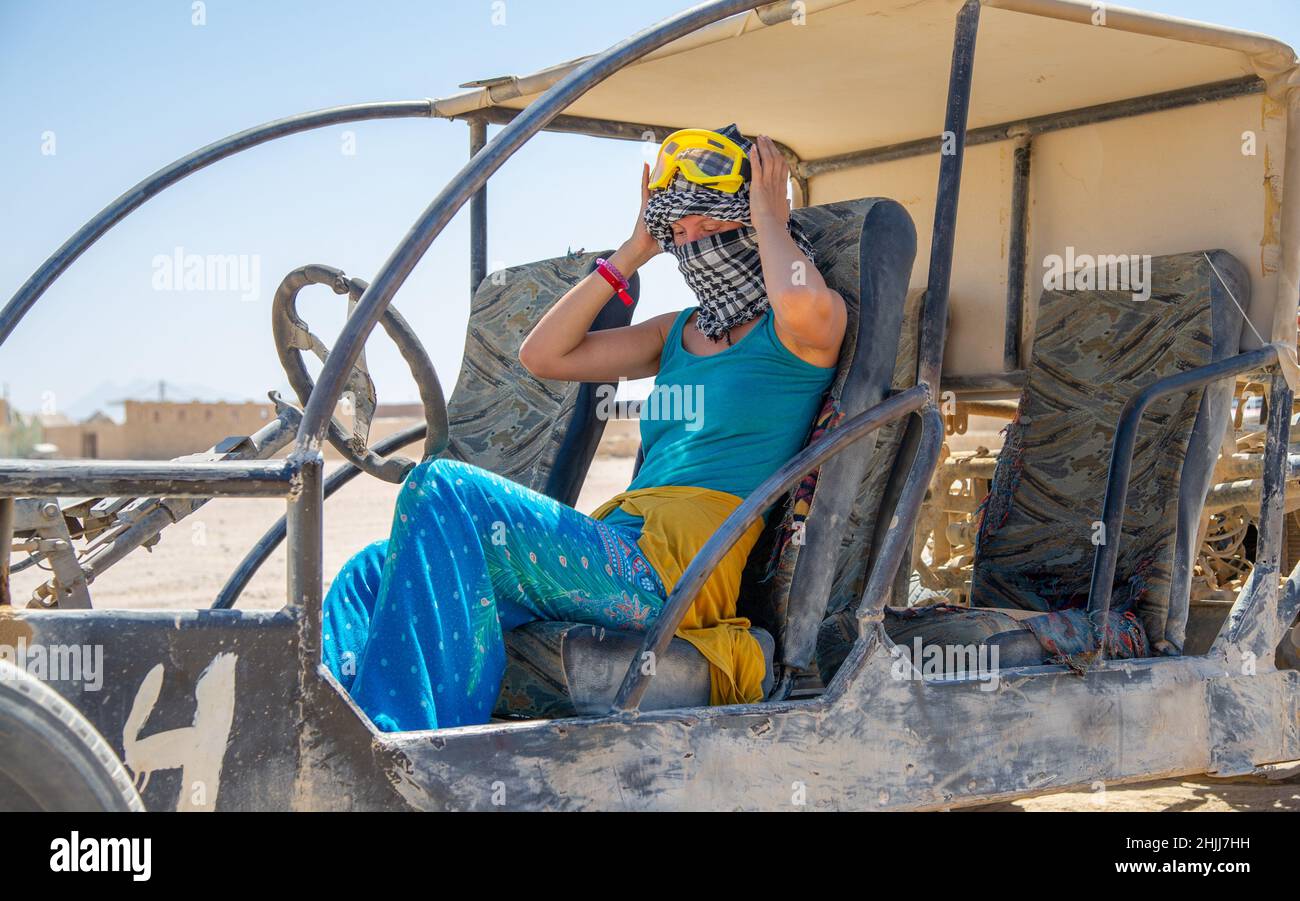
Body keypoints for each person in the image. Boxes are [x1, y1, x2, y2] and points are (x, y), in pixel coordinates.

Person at [321, 125, 846, 732]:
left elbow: (799, 298)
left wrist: (774, 219)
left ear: (751, 219)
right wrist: (632, 251)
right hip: (618, 541)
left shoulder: (801, 334)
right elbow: (543, 355)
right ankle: (345, 730)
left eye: (708, 223)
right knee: (370, 570)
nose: (692, 242)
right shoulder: (676, 331)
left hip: (678, 571)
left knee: (444, 490)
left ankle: (408, 741)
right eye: (678, 231)